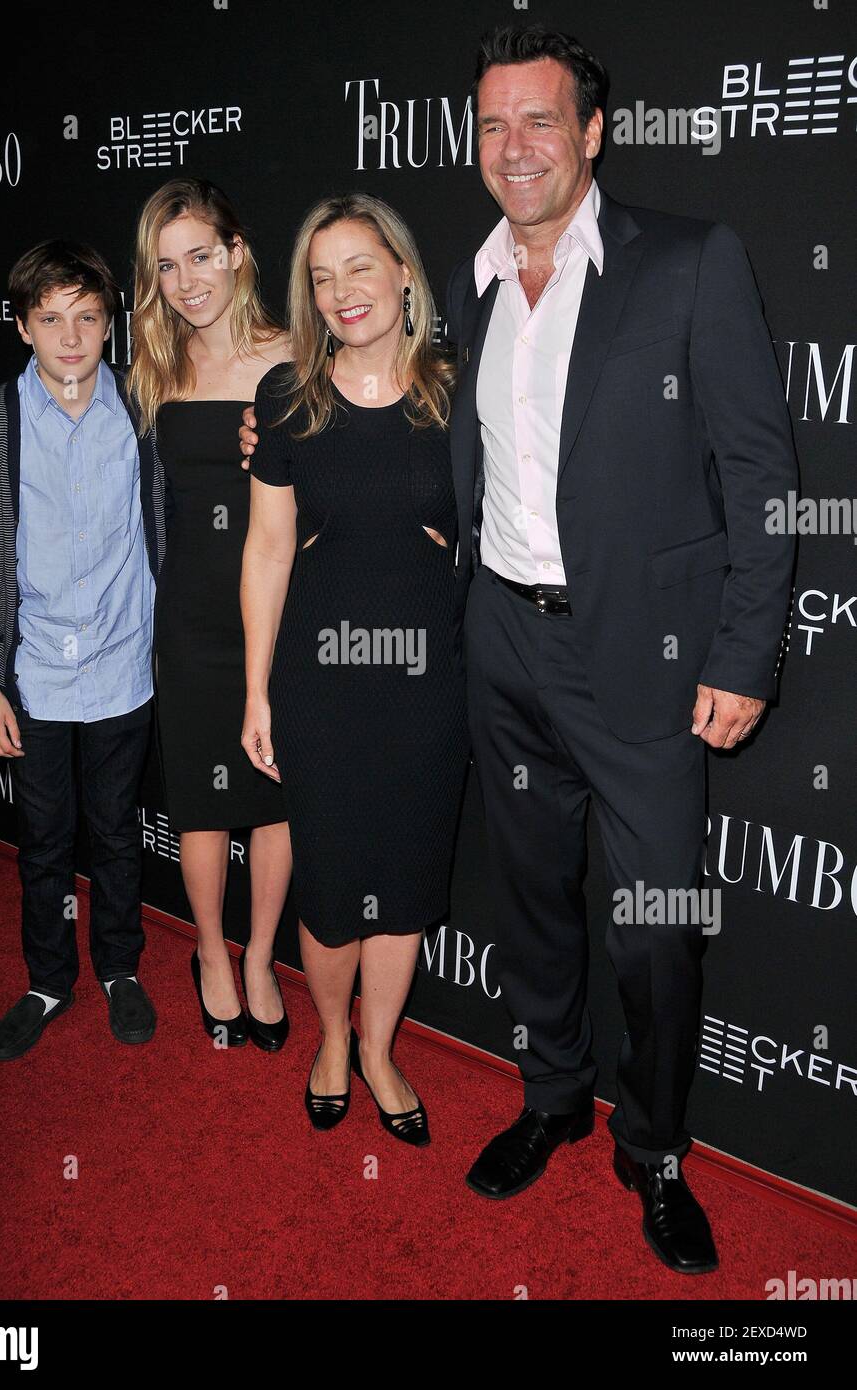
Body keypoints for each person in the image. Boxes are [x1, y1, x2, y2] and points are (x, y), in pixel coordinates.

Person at [443, 25, 798, 1273]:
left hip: (646, 665)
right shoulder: (469, 277)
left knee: (654, 929)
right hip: (506, 644)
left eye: (541, 120)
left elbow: (760, 472)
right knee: (533, 903)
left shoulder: (689, 264)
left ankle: (652, 1153)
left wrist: (746, 653)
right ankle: (548, 1097)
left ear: (592, 132)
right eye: (493, 125)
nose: (515, 147)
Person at [240, 193, 469, 1143]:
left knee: (405, 880)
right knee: (332, 886)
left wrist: (446, 537)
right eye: (322, 277)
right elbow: (266, 548)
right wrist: (255, 690)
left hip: (429, 683)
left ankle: (380, 1049)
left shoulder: (461, 389)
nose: (342, 293)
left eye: (360, 268)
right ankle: (331, 1040)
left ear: (404, 272)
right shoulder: (288, 398)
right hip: (319, 682)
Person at [0, 240, 166, 1059]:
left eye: (87, 317)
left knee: (114, 832)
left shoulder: (147, 406)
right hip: (33, 675)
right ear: (21, 327)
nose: (70, 337)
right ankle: (47, 979)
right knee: (43, 842)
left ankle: (119, 968)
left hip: (123, 664)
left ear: (111, 323)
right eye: (50, 319)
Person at [128, 179, 294, 1051]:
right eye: (166, 266)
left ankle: (263, 956)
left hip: (276, 614)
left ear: (236, 252)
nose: (186, 280)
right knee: (200, 800)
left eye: (200, 255)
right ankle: (213, 956)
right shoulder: (153, 369)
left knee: (273, 799)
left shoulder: (295, 356)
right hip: (188, 619)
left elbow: (334, 497)